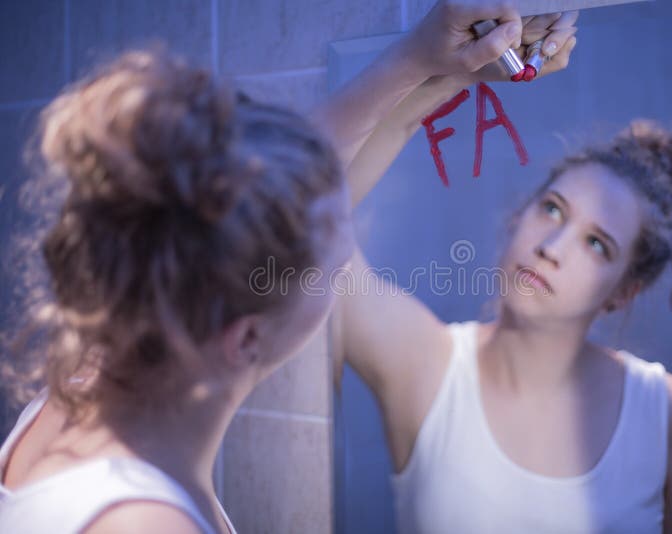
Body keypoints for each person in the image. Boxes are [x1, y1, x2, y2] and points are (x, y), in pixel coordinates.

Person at [0, 2, 532, 531]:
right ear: (247, 338)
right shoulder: (145, 522)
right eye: (332, 265)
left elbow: (269, 186)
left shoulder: (91, 382)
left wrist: (426, 63)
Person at [331, 9, 672, 534]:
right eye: (552, 209)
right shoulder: (424, 366)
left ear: (623, 291)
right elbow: (309, 219)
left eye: (597, 244)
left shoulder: (666, 414)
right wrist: (451, 70)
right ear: (517, 215)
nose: (552, 247)